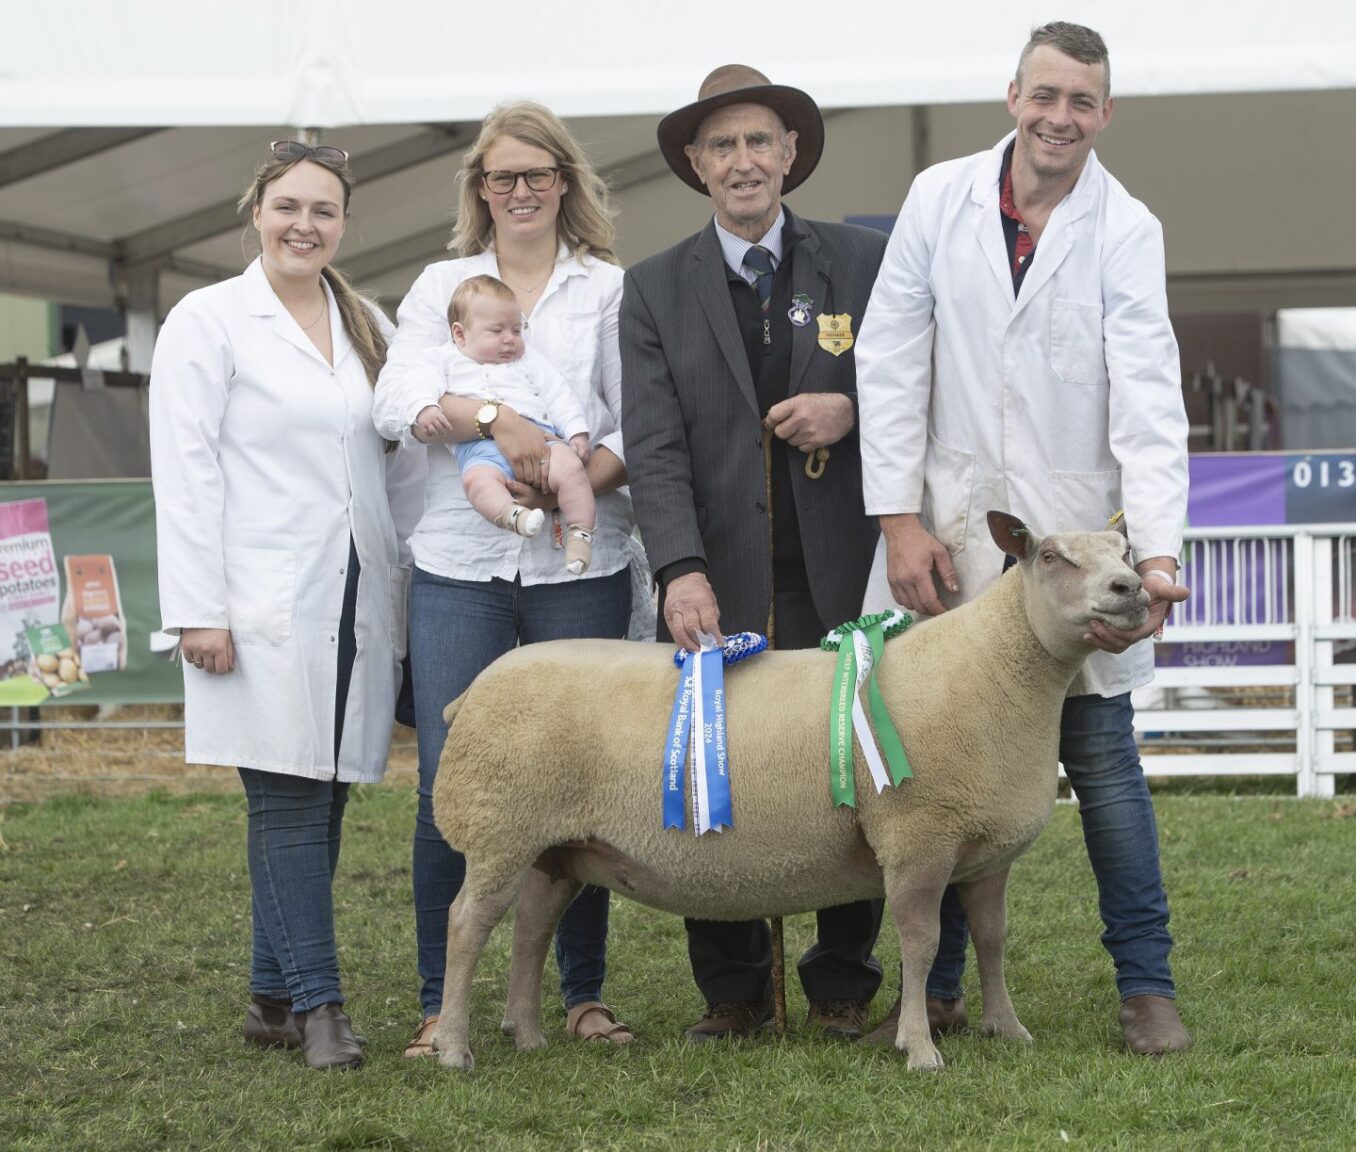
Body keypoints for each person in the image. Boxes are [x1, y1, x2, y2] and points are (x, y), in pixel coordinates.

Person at [854, 22, 1193, 1056]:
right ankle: (942, 988)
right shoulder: (937, 197)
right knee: (931, 768)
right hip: (949, 534)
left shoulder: (1126, 227)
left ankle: (1146, 987)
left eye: (1081, 101)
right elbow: (891, 353)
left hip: (1071, 550)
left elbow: (1149, 397)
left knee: (1103, 763)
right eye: (1045, 95)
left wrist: (1158, 560)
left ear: (1106, 112)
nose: (1060, 117)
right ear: (1012, 95)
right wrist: (900, 517)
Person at [620, 65, 888, 1041]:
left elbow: (914, 394)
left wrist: (850, 410)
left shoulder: (862, 263)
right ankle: (732, 991)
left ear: (791, 155)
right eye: (722, 145)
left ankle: (843, 984)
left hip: (840, 575)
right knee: (713, 780)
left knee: (848, 774)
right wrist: (678, 567)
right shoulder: (651, 289)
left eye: (759, 141)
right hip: (716, 577)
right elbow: (649, 443)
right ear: (696, 165)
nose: (743, 161)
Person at [149, 140, 424, 1070]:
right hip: (257, 598)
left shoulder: (363, 318)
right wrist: (197, 609)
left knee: (328, 792)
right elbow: (183, 473)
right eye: (288, 207)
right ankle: (319, 1009)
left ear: (344, 224)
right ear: (254, 212)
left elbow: (392, 459)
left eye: (324, 211)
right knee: (289, 799)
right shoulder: (209, 319)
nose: (305, 225)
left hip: (353, 594)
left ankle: (270, 996)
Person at [371, 102, 635, 1057]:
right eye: (500, 177)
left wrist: (568, 478)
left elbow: (628, 419)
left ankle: (583, 993)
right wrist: (495, 416)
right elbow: (396, 401)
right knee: (451, 781)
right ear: (478, 190)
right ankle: (442, 999)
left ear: (566, 181)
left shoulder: (606, 288)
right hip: (457, 561)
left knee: (588, 781)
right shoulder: (441, 285)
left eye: (537, 174)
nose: (520, 192)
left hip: (581, 560)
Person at [410, 274, 596, 572]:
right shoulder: (442, 359)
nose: (510, 339)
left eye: (517, 329)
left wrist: (576, 433)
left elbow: (559, 393)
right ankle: (514, 517)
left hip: (541, 437)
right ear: (460, 334)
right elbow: (417, 386)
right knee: (476, 483)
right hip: (479, 449)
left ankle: (580, 534)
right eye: (497, 331)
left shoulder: (527, 361)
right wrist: (425, 408)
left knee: (572, 469)